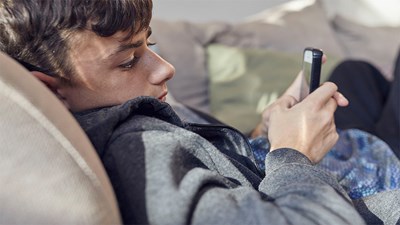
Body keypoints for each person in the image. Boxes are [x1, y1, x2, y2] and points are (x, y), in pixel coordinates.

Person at [0, 0, 396, 224]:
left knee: (354, 73)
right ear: (50, 89)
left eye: (148, 45)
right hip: (370, 190)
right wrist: (292, 153)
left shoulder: (135, 111)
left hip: (349, 159)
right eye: (127, 61)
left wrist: (266, 130)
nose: (163, 68)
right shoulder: (136, 148)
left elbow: (230, 173)